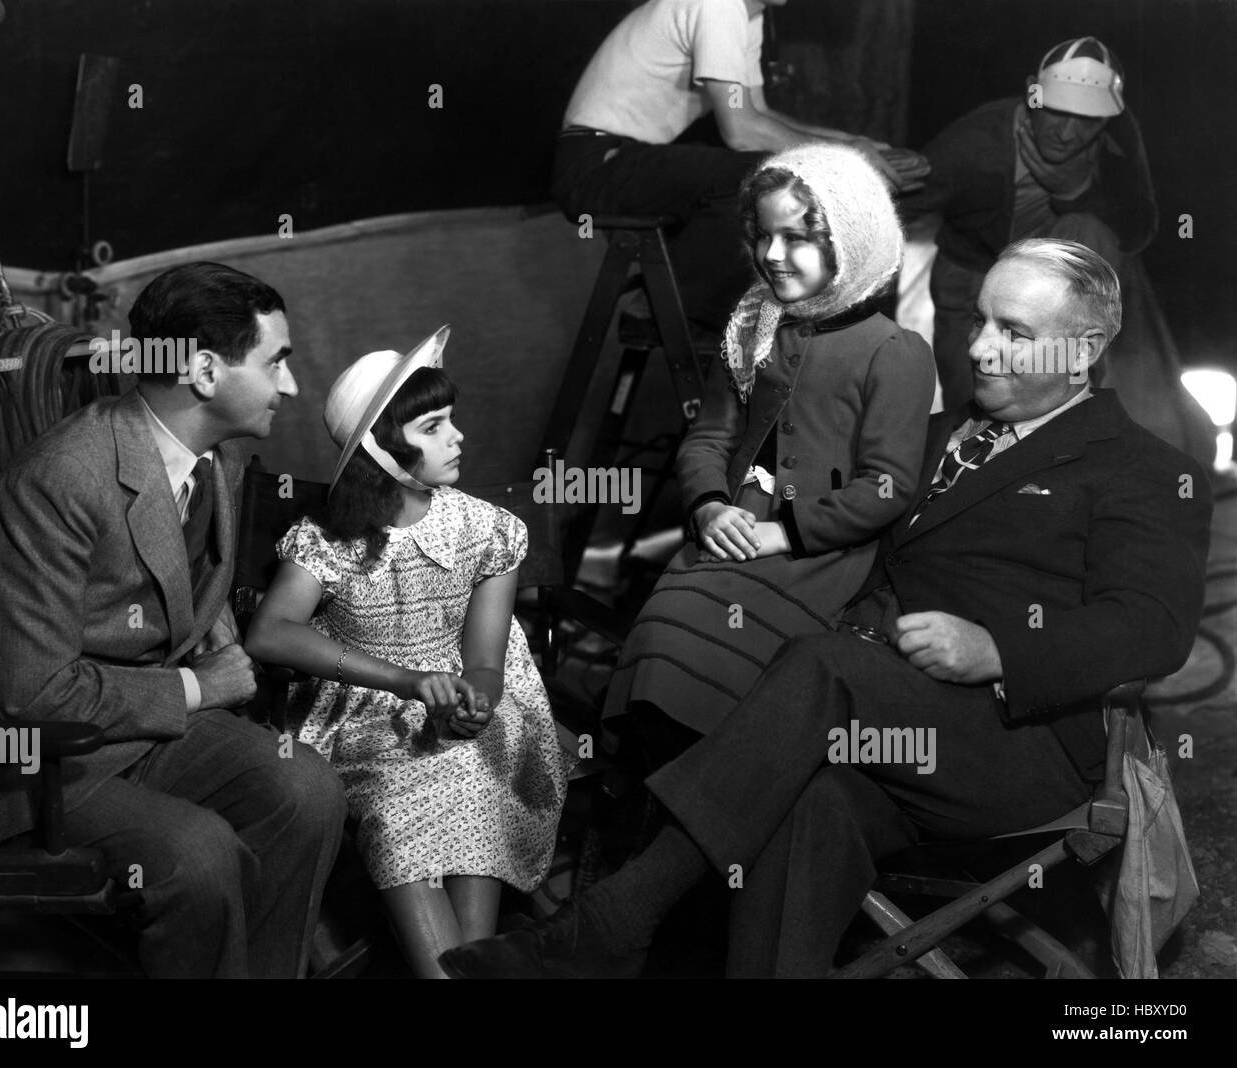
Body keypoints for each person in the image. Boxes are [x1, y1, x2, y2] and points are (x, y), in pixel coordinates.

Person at [438, 238, 1213, 978]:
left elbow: (1154, 627)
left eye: (1015, 333)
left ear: (1082, 353)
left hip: (1016, 749)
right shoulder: (935, 436)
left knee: (823, 668)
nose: (979, 348)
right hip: (887, 719)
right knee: (810, 802)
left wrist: (999, 650)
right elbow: (804, 486)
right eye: (980, 319)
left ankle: (607, 928)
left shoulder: (1145, 472)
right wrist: (725, 502)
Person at [0, 261, 348, 978]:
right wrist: (202, 688)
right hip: (28, 757)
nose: (291, 386)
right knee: (197, 853)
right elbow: (32, 695)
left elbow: (178, 578)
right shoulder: (61, 479)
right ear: (206, 372)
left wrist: (216, 634)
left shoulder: (210, 454)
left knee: (309, 791)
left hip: (136, 724)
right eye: (276, 362)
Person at [243, 328, 573, 979]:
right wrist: (403, 680)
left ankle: (464, 970)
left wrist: (474, 701)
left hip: (463, 705)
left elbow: (484, 659)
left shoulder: (485, 530)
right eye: (433, 426)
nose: (458, 437)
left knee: (471, 766)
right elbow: (270, 632)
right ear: (383, 450)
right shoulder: (327, 539)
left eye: (450, 420)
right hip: (361, 711)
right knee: (401, 804)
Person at [603, 141, 935, 761]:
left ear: (852, 241)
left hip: (822, 553)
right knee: (661, 634)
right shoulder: (754, 325)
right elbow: (710, 436)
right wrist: (706, 506)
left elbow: (886, 487)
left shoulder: (894, 351)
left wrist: (785, 533)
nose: (772, 255)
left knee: (721, 661)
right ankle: (644, 800)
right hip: (731, 530)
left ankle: (715, 800)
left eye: (797, 239)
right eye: (764, 235)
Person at [903, 36, 1213, 465]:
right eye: (1056, 112)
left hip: (1057, 291)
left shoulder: (1118, 134)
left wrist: (1074, 194)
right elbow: (897, 207)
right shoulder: (975, 146)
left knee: (1088, 229)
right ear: (1033, 92)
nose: (1068, 134)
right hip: (973, 280)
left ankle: (1071, 428)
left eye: (1087, 121)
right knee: (974, 407)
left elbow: (1141, 227)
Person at [553, 0, 927, 330]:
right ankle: (679, 307)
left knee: (765, 174)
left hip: (624, 158)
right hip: (595, 167)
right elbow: (742, 132)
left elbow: (758, 114)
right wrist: (849, 159)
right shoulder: (719, 6)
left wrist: (852, 145)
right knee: (752, 178)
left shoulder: (748, 15)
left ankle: (682, 296)